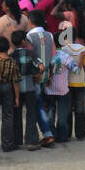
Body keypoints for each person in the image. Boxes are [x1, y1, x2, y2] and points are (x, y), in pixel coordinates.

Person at [9, 30, 45, 150]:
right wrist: (38, 75)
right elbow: (41, 67)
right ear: (23, 41)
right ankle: (31, 141)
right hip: (30, 86)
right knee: (31, 113)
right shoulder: (31, 54)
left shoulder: (11, 56)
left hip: (16, 89)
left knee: (16, 114)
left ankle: (16, 140)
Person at [25, 11, 56, 146]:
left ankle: (47, 133)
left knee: (37, 105)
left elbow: (29, 57)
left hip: (35, 75)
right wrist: (50, 75)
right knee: (41, 104)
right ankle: (43, 131)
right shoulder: (49, 35)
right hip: (46, 73)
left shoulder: (29, 36)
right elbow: (54, 58)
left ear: (30, 22)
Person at [55, 24, 85, 141]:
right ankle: (80, 134)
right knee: (80, 108)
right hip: (80, 82)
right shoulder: (82, 49)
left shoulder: (62, 49)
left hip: (67, 83)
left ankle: (68, 134)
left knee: (68, 109)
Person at [0, 37, 22, 152]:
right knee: (8, 116)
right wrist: (17, 97)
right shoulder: (13, 62)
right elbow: (15, 81)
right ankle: (7, 144)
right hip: (8, 88)